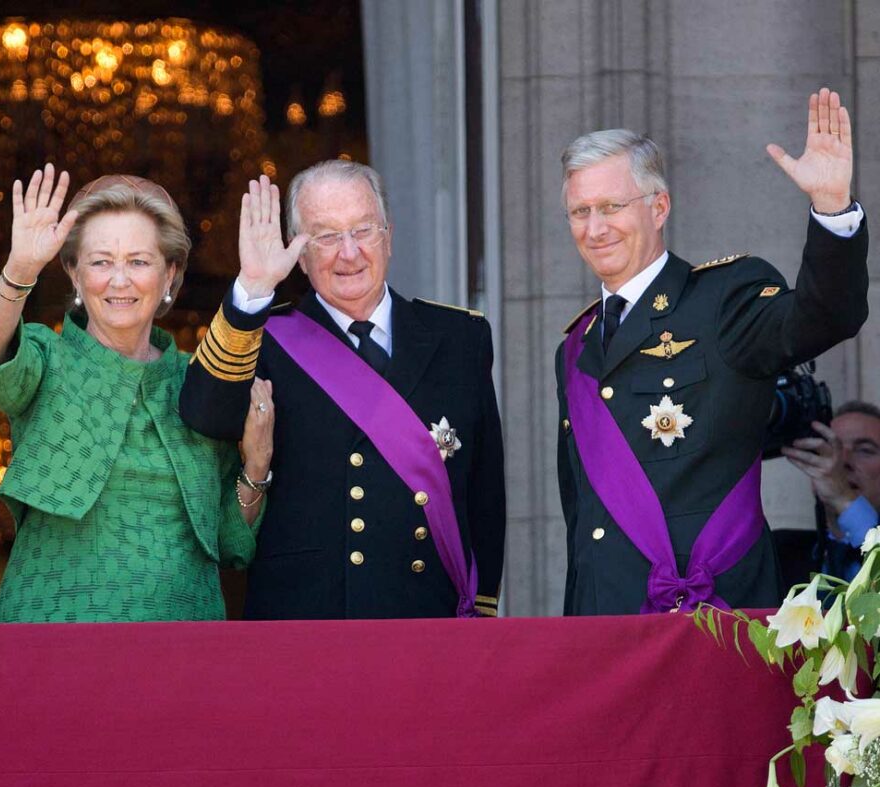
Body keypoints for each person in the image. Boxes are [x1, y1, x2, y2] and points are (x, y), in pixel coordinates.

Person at [556, 88, 869, 615]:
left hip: (712, 612)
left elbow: (825, 317)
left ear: (659, 207)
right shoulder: (576, 345)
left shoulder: (723, 300)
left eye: (612, 207)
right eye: (579, 211)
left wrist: (831, 209)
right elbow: (584, 521)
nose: (595, 228)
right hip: (602, 625)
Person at [180, 161, 505, 619]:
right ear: (300, 253)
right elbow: (203, 413)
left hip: (427, 615)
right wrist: (253, 287)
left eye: (363, 230)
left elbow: (485, 492)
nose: (349, 253)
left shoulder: (459, 339)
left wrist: (481, 605)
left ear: (389, 235)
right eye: (326, 236)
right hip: (307, 620)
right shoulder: (265, 338)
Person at [0, 168, 272, 622]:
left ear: (171, 275)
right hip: (53, 627)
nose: (120, 280)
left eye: (139, 262)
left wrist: (257, 465)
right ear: (74, 273)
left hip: (184, 635)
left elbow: (230, 542)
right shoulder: (47, 359)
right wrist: (20, 269)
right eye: (101, 261)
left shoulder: (201, 381)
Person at [783, 403, 880, 580]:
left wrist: (843, 497)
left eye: (865, 450)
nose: (841, 462)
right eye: (831, 449)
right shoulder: (780, 551)